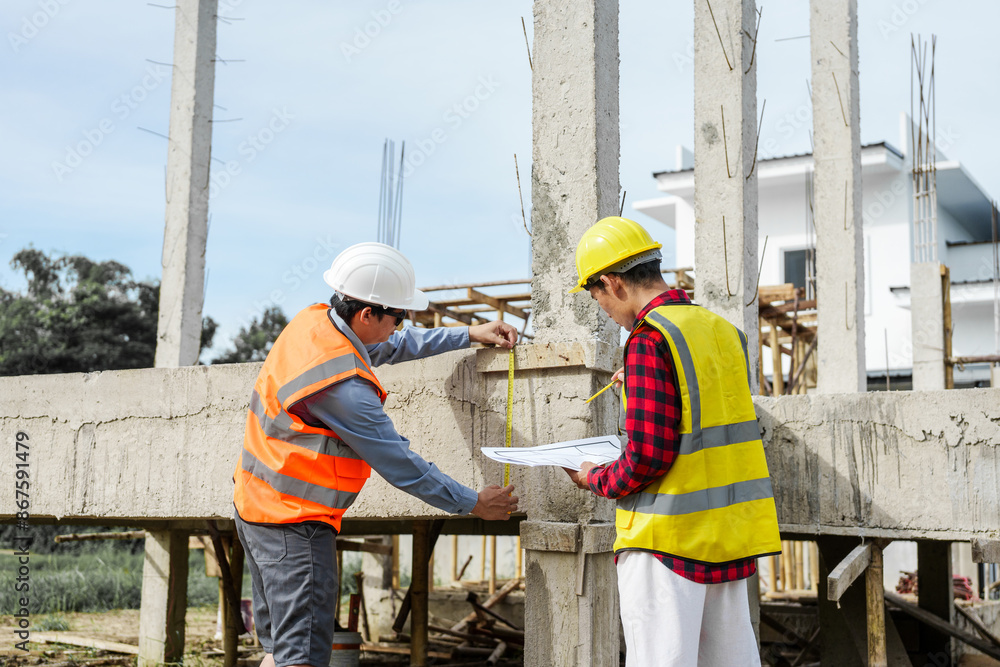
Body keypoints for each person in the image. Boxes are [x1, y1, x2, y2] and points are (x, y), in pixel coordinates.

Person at [233, 242, 520, 667]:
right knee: (301, 658)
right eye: (397, 316)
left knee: (280, 651)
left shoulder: (314, 326)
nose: (400, 326)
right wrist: (474, 502)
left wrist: (467, 333)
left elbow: (388, 347)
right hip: (295, 526)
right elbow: (401, 465)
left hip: (254, 510)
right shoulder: (344, 391)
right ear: (367, 313)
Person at [564, 217, 781, 667]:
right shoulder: (722, 332)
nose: (602, 309)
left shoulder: (648, 340)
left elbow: (647, 458)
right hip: (728, 539)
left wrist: (594, 479)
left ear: (611, 283)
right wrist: (639, 389)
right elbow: (702, 417)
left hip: (666, 545)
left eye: (596, 297)